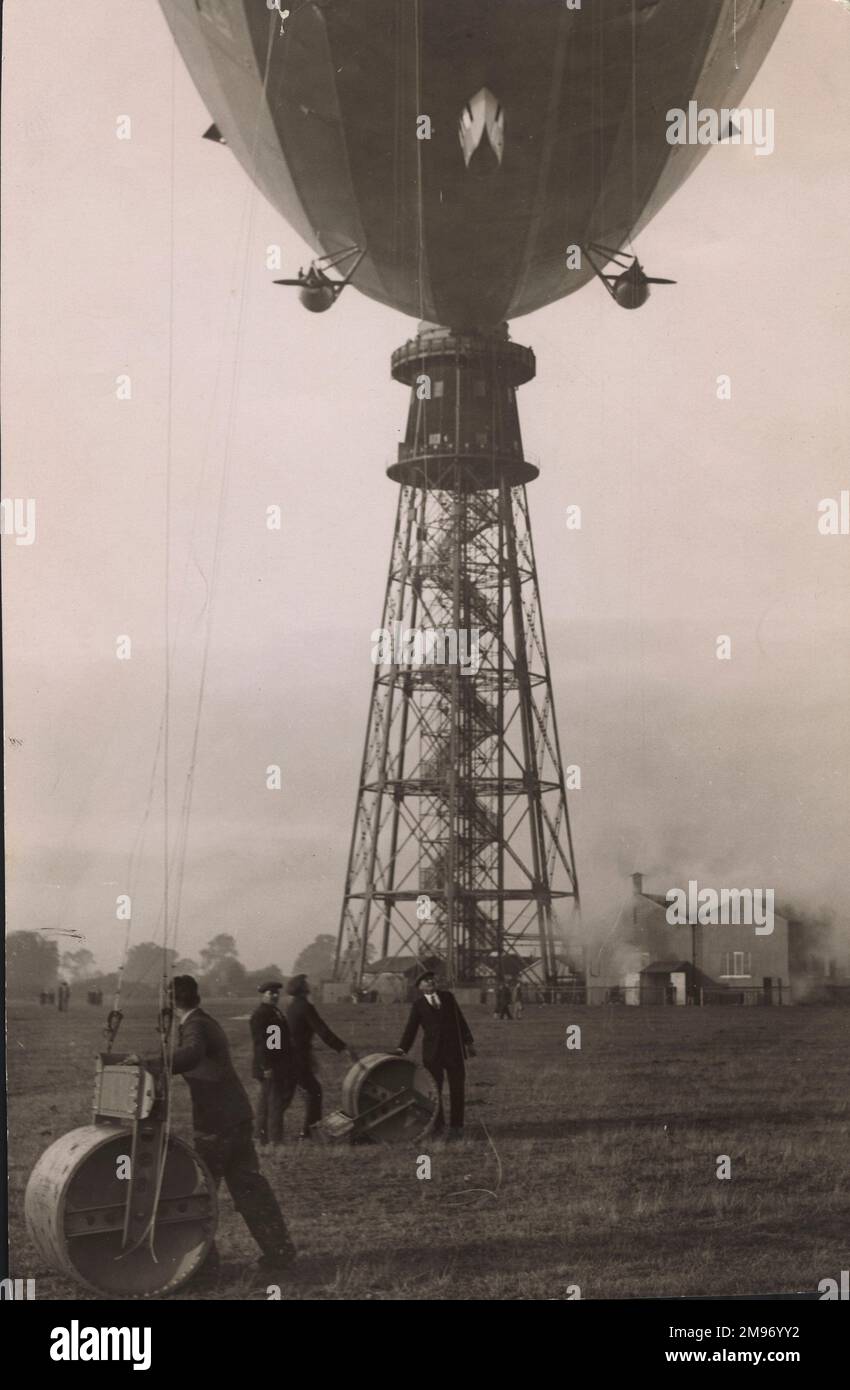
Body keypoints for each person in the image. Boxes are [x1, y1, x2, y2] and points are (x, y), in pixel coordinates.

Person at [135, 975, 296, 1279]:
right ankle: (280, 1253)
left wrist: (151, 1064)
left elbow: (192, 1053)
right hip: (233, 1117)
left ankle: (203, 1267)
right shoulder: (202, 1021)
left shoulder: (195, 1026)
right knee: (250, 1188)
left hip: (217, 1124)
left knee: (199, 1193)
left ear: (171, 1002)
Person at [397, 969, 475, 1140]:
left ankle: (457, 1127)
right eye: (425, 980)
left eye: (431, 979)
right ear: (419, 987)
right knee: (435, 1091)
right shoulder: (418, 1005)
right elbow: (411, 1029)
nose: (430, 982)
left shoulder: (448, 997)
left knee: (457, 1088)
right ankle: (438, 1126)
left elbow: (460, 1020)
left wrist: (469, 1041)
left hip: (454, 1051)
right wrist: (402, 1049)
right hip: (433, 1054)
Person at [285, 974, 358, 1139]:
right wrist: (342, 1047)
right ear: (302, 988)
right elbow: (322, 1030)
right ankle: (310, 1131)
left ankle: (302, 1131)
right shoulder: (305, 1007)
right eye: (306, 982)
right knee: (313, 1091)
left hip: (292, 1055)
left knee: (292, 1094)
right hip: (299, 1056)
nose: (309, 984)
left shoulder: (292, 1006)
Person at [250, 980, 295, 1150]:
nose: (275, 996)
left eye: (276, 993)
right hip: (271, 1066)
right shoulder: (264, 1014)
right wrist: (267, 1067)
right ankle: (275, 1140)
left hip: (273, 1065)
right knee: (274, 1103)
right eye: (271, 993)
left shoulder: (273, 1012)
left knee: (265, 1102)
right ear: (264, 995)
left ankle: (260, 1137)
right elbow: (264, 1044)